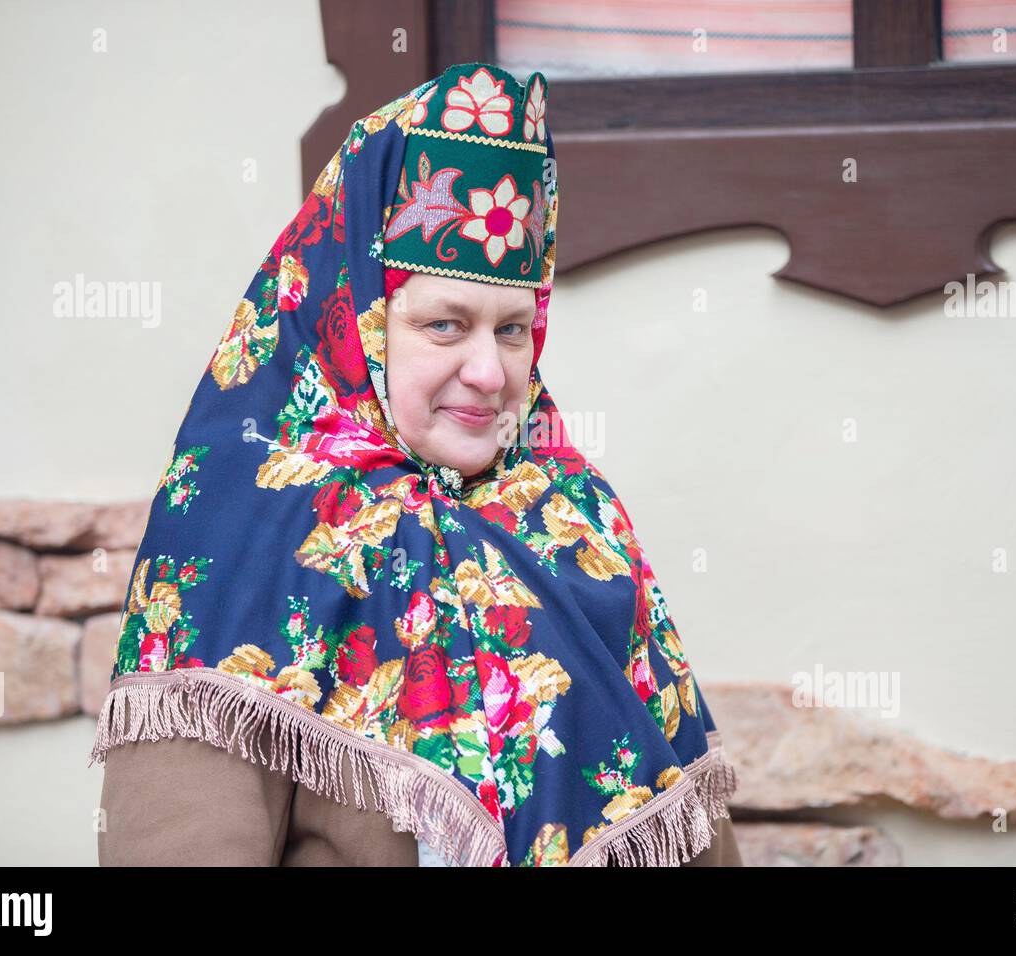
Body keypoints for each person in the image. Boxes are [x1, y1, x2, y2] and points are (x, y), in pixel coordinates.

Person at [91, 62, 742, 867]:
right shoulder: (242, 530)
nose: (490, 372)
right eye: (444, 324)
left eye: (512, 330)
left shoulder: (574, 518)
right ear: (354, 318)